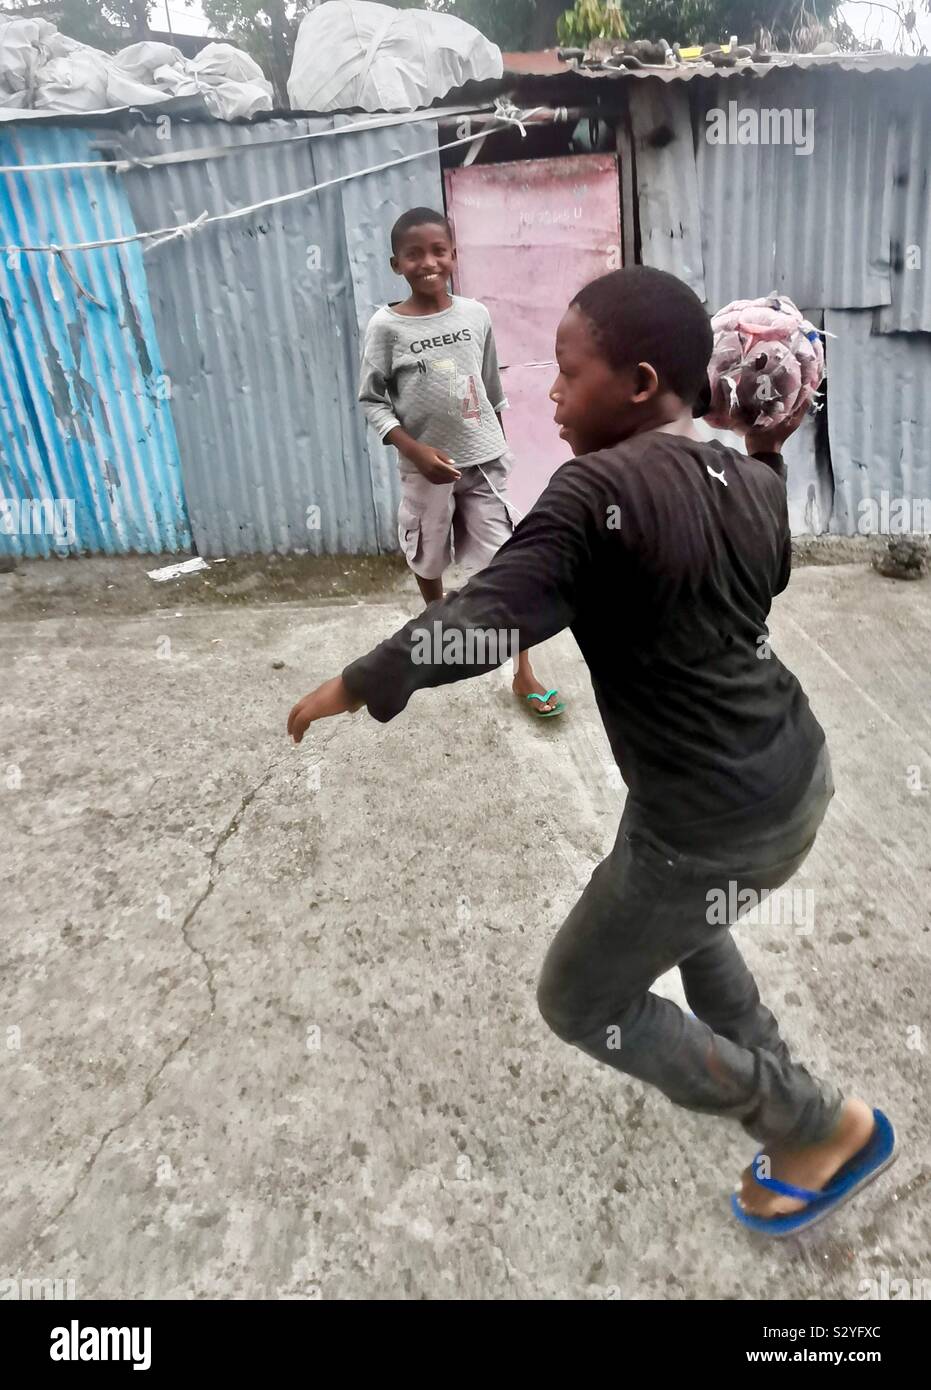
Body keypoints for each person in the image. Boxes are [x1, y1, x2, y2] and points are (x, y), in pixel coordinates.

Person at [289, 267, 894, 1235]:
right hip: (789, 776)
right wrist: (767, 451)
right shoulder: (747, 480)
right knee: (694, 920)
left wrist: (362, 681)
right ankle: (772, 1068)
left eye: (569, 375)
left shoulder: (592, 489)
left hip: (705, 821)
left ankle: (816, 1126)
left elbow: (484, 618)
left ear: (642, 382)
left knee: (578, 994)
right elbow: (764, 568)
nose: (550, 393)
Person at [358, 206, 564, 718]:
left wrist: (497, 445)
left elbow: (491, 389)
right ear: (395, 264)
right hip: (426, 469)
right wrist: (416, 451)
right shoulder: (385, 327)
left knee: (506, 567)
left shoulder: (476, 315)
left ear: (454, 255)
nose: (427, 262)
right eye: (413, 254)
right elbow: (372, 402)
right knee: (427, 557)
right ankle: (442, 633)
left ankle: (524, 672)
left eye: (437, 250)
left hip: (483, 463)